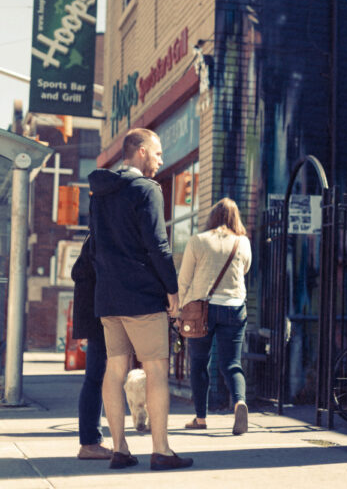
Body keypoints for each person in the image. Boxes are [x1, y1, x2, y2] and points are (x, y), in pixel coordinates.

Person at [88, 128, 192, 471]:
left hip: (108, 297)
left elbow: (95, 247)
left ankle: (120, 448)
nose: (161, 160)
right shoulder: (147, 190)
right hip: (142, 298)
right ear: (142, 151)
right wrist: (173, 290)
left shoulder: (99, 191)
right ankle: (161, 450)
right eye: (158, 153)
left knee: (115, 368)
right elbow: (157, 245)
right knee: (157, 369)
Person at [177, 198, 252, 435]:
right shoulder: (243, 242)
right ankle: (240, 402)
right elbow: (246, 269)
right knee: (231, 363)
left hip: (202, 309)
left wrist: (179, 309)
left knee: (200, 363)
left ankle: (200, 418)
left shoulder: (198, 241)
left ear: (212, 217)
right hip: (234, 307)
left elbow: (185, 278)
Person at [71, 235, 111, 460]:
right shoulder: (100, 238)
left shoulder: (93, 238)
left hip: (95, 318)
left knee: (95, 378)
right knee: (96, 378)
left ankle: (91, 440)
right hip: (101, 318)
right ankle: (90, 442)